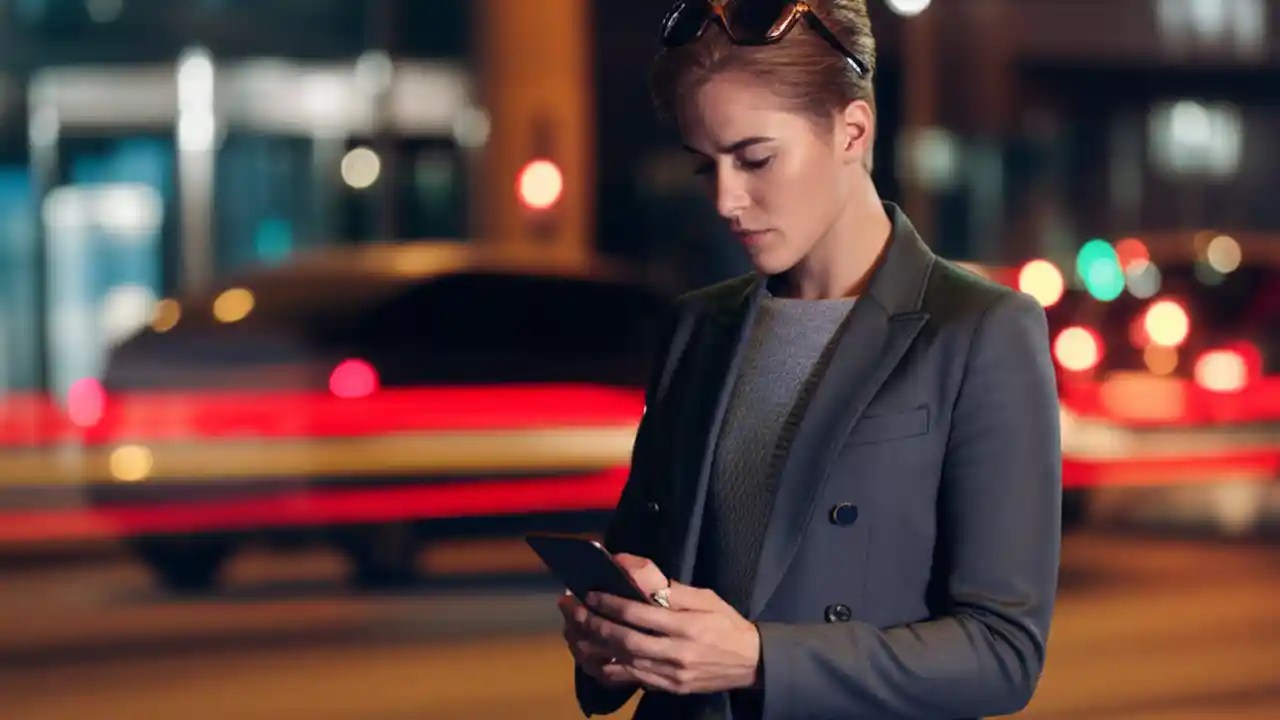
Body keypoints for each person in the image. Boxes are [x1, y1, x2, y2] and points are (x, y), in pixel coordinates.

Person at [557, 1, 1062, 718]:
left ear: (853, 130)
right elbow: (646, 566)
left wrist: (761, 659)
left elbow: (1003, 653)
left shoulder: (981, 331)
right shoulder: (697, 328)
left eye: (755, 159)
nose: (727, 200)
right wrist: (614, 638)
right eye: (706, 167)